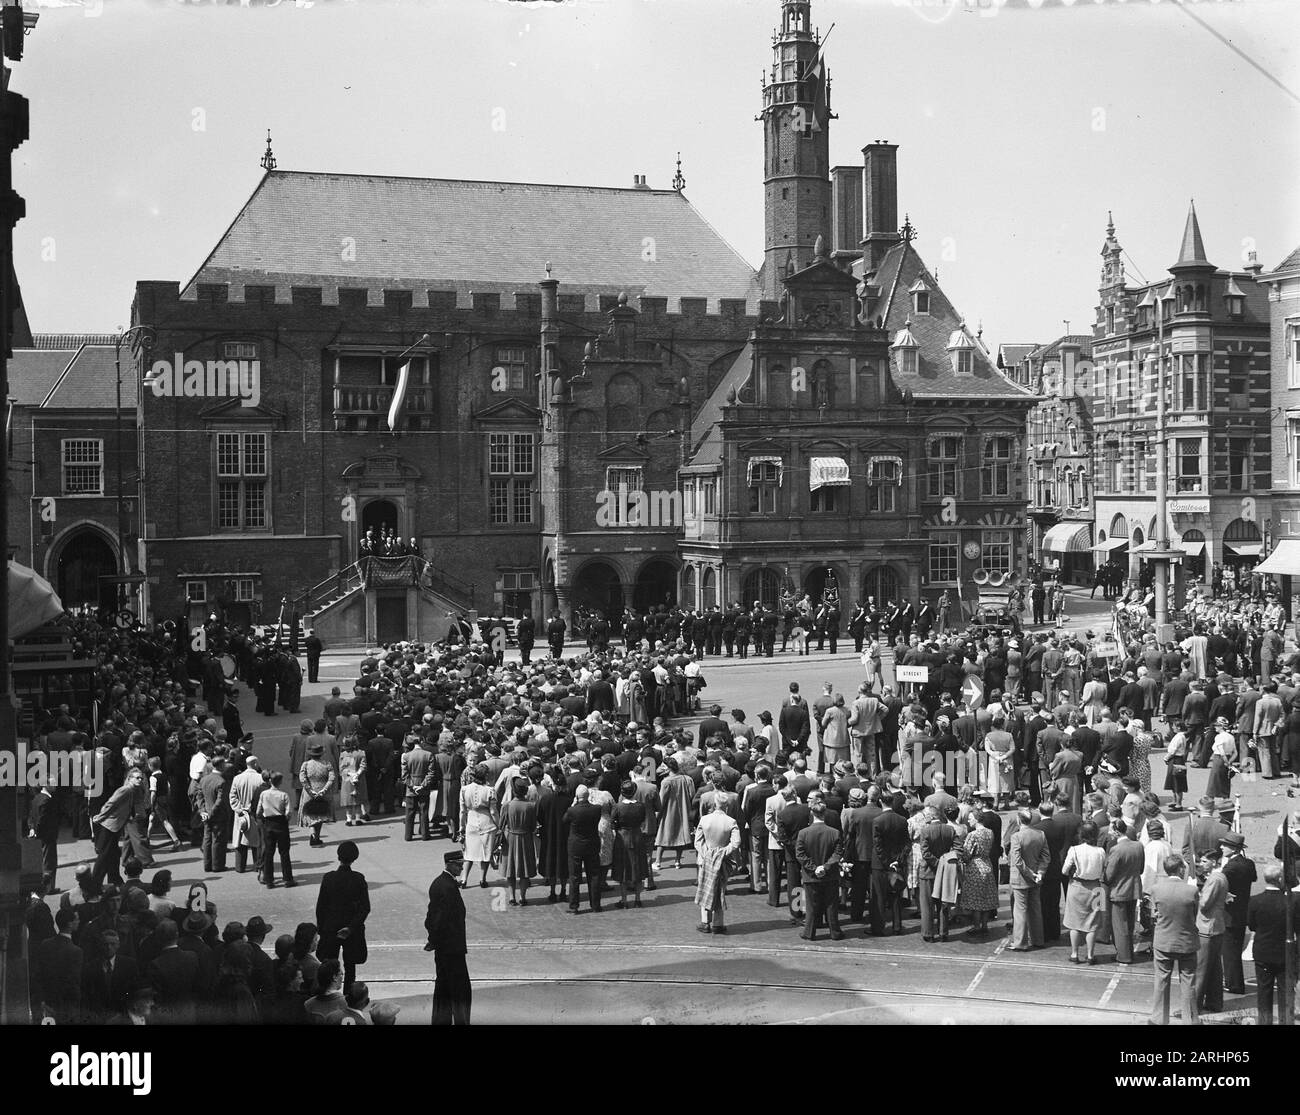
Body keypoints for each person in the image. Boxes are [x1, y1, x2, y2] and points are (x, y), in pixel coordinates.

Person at [1149, 853, 1200, 1026]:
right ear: (1180, 869)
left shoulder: (1156, 889)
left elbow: (1153, 914)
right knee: (1188, 983)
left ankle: (1158, 1020)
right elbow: (1194, 914)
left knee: (1161, 980)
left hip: (1163, 941)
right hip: (1186, 942)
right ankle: (1191, 1020)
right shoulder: (1192, 890)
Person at [1246, 864, 1300, 1025]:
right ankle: (1285, 1021)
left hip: (1263, 951)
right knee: (1285, 991)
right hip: (1285, 953)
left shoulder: (1255, 900)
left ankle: (1264, 1021)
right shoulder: (1291, 902)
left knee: (1264, 991)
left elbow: (1252, 925)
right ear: (1280, 879)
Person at [315, 840, 370, 988]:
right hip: (351, 931)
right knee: (350, 967)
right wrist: (351, 927)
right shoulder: (358, 878)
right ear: (354, 858)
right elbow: (365, 908)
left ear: (339, 856)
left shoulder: (328, 878)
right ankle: (348, 995)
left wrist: (322, 930)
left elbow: (321, 907)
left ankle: (329, 994)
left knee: (329, 967)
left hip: (331, 928)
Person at [425, 849, 471, 1025]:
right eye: (459, 865)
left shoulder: (440, 883)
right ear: (450, 865)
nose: (461, 868)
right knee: (460, 990)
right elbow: (438, 919)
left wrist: (433, 940)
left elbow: (430, 918)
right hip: (452, 948)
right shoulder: (448, 888)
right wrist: (435, 938)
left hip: (443, 948)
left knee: (443, 988)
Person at [795, 797, 845, 941]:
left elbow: (800, 854)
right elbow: (838, 853)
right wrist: (826, 867)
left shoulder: (803, 833)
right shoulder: (834, 832)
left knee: (811, 906)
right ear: (824, 813)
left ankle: (809, 932)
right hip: (830, 875)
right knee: (831, 905)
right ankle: (835, 932)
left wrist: (814, 868)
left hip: (810, 876)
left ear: (812, 813)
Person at [694, 791, 740, 934]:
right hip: (722, 862)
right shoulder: (731, 821)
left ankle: (705, 922)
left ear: (715, 804)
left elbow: (697, 841)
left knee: (705, 888)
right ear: (726, 806)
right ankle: (718, 924)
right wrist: (722, 853)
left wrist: (707, 853)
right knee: (720, 890)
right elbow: (736, 842)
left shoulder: (705, 820)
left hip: (705, 860)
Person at [1062, 819, 1106, 964]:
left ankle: (1074, 954)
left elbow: (1064, 870)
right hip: (1096, 888)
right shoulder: (1101, 851)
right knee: (1092, 924)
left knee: (1074, 923)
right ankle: (1090, 955)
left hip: (1077, 887)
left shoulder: (1074, 850)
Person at [1103, 819, 1145, 965]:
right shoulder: (1138, 846)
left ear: (1115, 831)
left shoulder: (1116, 850)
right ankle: (1129, 952)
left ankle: (1123, 955)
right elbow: (1141, 869)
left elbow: (1109, 874)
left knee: (1119, 926)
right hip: (1133, 889)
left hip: (1119, 890)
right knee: (1130, 923)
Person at [1219, 831, 1255, 996]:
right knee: (1234, 949)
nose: (1221, 847)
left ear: (1233, 849)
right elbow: (1253, 878)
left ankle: (1233, 984)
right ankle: (1234, 982)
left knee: (1230, 951)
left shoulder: (1230, 867)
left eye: (1224, 845)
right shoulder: (1248, 864)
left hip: (1230, 914)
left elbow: (1219, 882)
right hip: (1242, 911)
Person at [1008, 809, 1048, 951]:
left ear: (1019, 820)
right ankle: (1038, 939)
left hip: (1021, 878)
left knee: (1020, 911)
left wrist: (1031, 874)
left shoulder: (1016, 837)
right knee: (1035, 909)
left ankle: (1020, 942)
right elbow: (1046, 857)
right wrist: (1040, 873)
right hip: (1036, 878)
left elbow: (1017, 861)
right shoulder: (1040, 834)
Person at [1194, 847, 1228, 1014]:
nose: (1201, 864)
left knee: (1200, 969)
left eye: (1204, 861)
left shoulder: (1214, 879)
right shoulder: (1219, 877)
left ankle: (1194, 1006)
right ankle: (1214, 1002)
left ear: (1214, 862)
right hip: (1216, 927)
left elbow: (1204, 903)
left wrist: (1197, 893)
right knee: (1214, 969)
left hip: (1207, 927)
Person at [565, 784, 604, 913]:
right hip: (592, 844)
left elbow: (564, 820)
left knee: (574, 877)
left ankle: (574, 906)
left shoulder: (572, 810)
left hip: (575, 846)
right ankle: (595, 905)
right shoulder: (596, 809)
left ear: (577, 796)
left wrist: (573, 804)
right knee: (593, 875)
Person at [460, 764, 499, 889]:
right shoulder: (490, 790)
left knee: (468, 853)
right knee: (485, 853)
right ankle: (482, 879)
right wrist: (499, 824)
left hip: (471, 822)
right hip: (487, 822)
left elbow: (462, 811)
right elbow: (493, 811)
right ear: (486, 776)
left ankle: (463, 879)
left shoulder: (464, 789)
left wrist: (462, 826)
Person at [612, 780, 648, 908]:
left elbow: (613, 822)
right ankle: (638, 899)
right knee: (638, 868)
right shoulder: (641, 806)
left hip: (623, 837)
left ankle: (624, 900)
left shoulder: (618, 807)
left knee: (623, 869)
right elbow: (643, 821)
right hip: (637, 836)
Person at [257, 771, 296, 888]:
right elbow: (289, 812)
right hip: (281, 823)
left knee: (269, 853)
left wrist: (263, 818)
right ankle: (288, 879)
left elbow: (258, 811)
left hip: (268, 824)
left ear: (270, 781)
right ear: (280, 782)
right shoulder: (284, 795)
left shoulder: (264, 794)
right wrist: (285, 819)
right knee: (284, 852)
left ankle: (269, 880)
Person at [502, 777, 537, 906]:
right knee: (524, 870)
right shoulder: (531, 806)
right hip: (525, 839)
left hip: (510, 838)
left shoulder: (507, 805)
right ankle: (523, 897)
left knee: (510, 870)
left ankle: (512, 897)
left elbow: (502, 824)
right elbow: (533, 826)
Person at [26, 776, 59, 896]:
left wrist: (32, 829)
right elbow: (42, 819)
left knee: (43, 862)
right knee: (49, 863)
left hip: (39, 835)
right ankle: (49, 888)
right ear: (46, 785)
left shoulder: (36, 799)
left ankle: (44, 886)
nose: (55, 785)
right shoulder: (47, 800)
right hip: (48, 836)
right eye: (53, 784)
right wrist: (37, 830)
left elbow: (31, 816)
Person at [299, 743, 335, 848]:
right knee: (320, 814)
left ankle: (312, 833)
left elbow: (302, 779)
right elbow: (331, 778)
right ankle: (317, 837)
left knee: (310, 814)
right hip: (323, 792)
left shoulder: (305, 765)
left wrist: (310, 790)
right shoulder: (327, 764)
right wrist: (324, 790)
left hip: (309, 793)